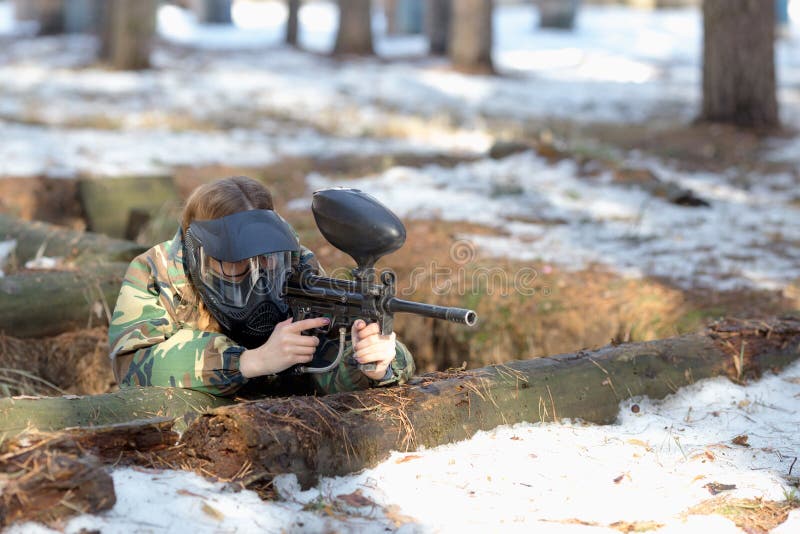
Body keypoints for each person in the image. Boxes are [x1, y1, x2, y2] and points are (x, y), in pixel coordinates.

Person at [108, 176, 415, 396]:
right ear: (202, 252)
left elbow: (322, 366)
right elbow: (131, 368)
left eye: (266, 260)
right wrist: (250, 361)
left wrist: (372, 365)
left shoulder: (294, 262)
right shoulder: (157, 271)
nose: (255, 274)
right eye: (235, 263)